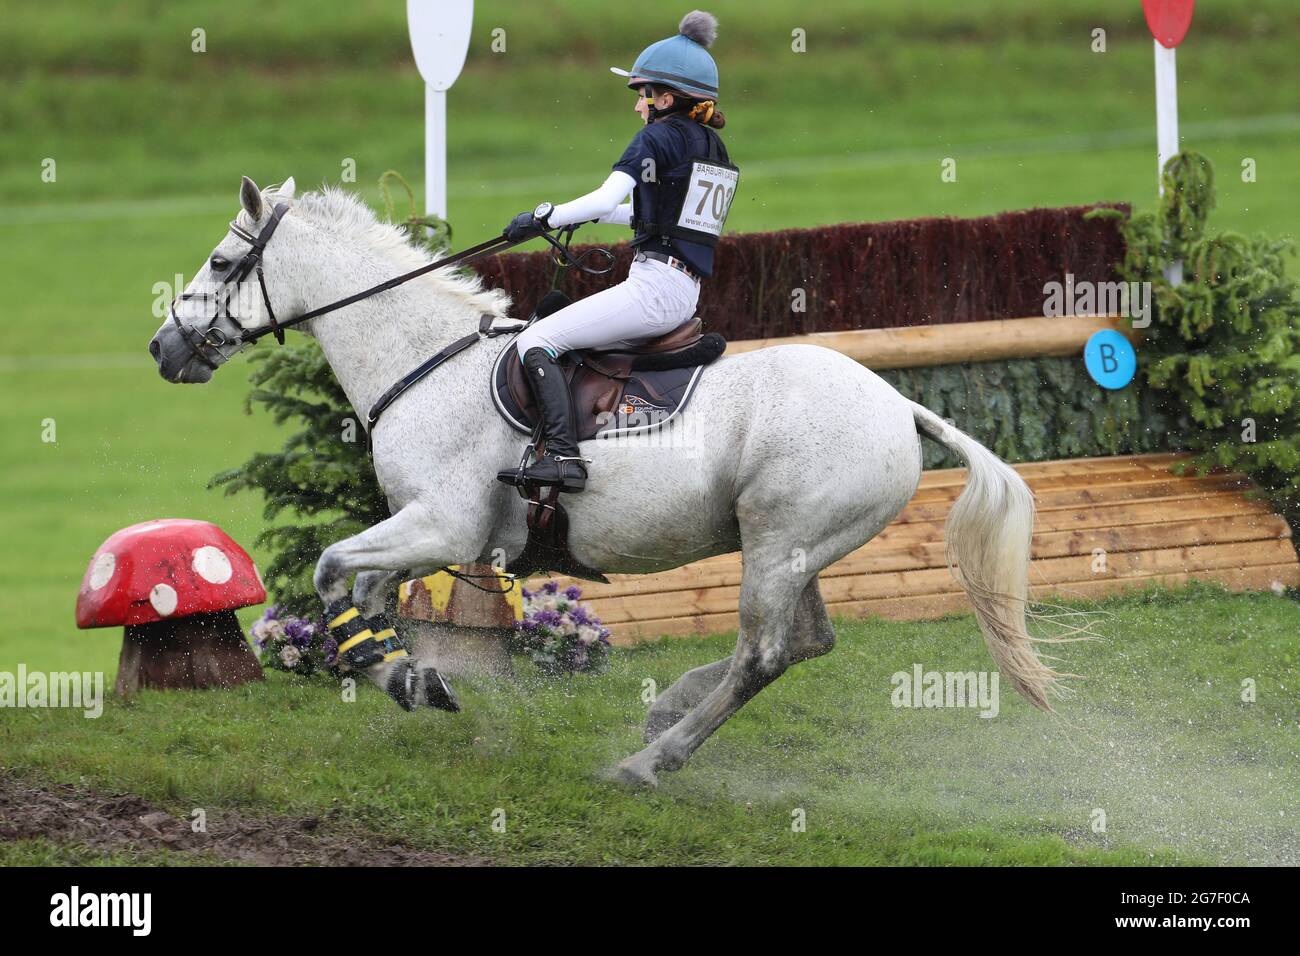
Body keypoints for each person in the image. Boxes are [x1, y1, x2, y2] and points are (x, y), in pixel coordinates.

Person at [496, 10, 738, 493]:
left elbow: (608, 196)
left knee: (534, 340)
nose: (638, 106)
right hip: (681, 291)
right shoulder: (712, 148)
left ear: (666, 98)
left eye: (644, 95)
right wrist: (584, 217)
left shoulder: (658, 135)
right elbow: (657, 219)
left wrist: (545, 217)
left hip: (654, 290)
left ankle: (564, 457)